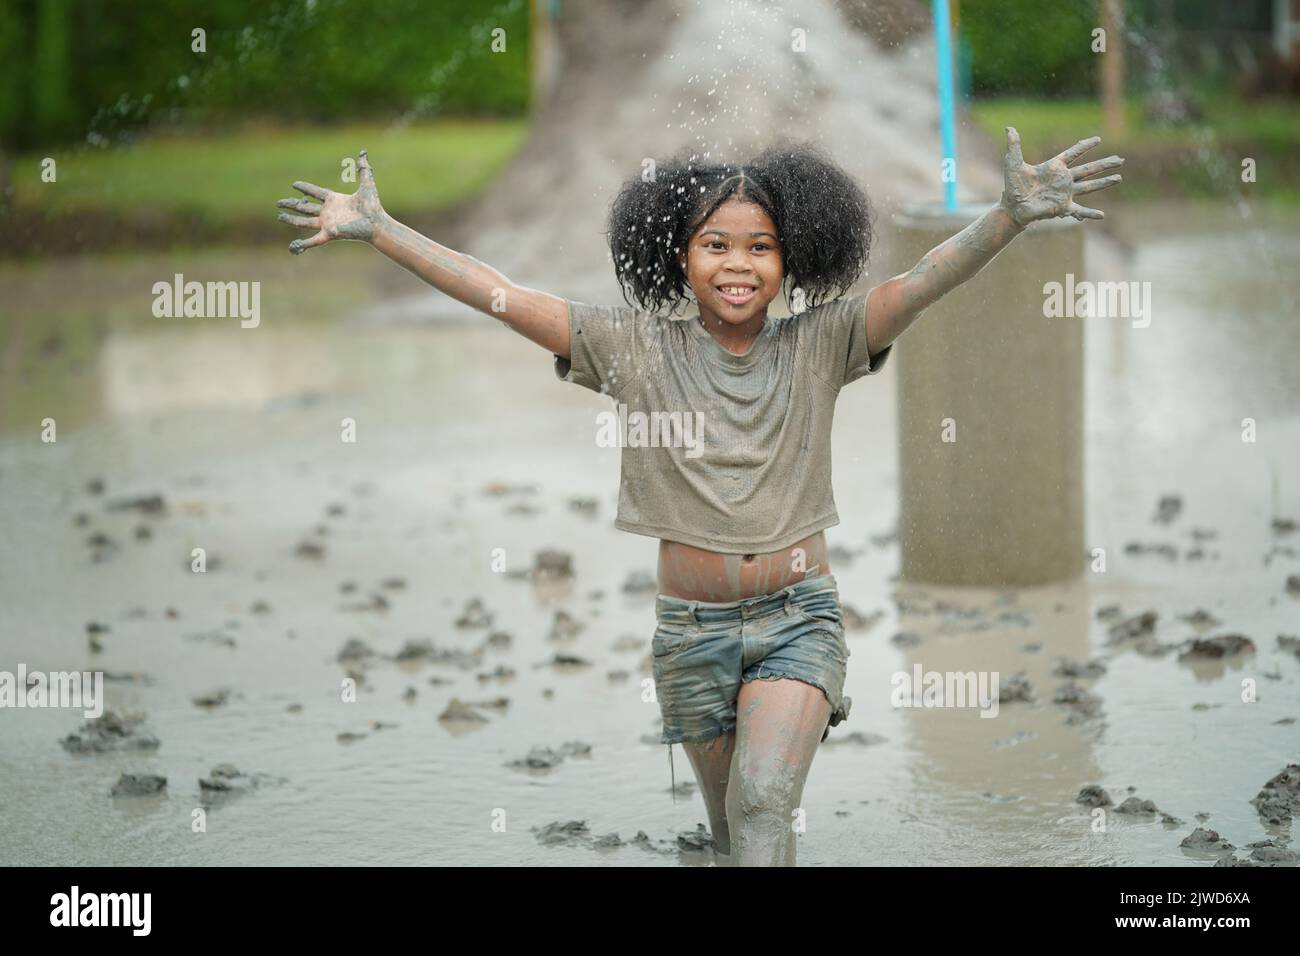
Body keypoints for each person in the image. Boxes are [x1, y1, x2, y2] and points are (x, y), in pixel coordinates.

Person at [277, 127, 1123, 866]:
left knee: (762, 804)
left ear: (790, 259)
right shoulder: (630, 348)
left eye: (760, 247)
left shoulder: (826, 341)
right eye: (716, 244)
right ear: (679, 256)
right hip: (690, 635)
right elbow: (499, 294)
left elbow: (925, 280)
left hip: (799, 618)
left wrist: (1008, 217)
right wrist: (380, 231)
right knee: (733, 837)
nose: (738, 264)